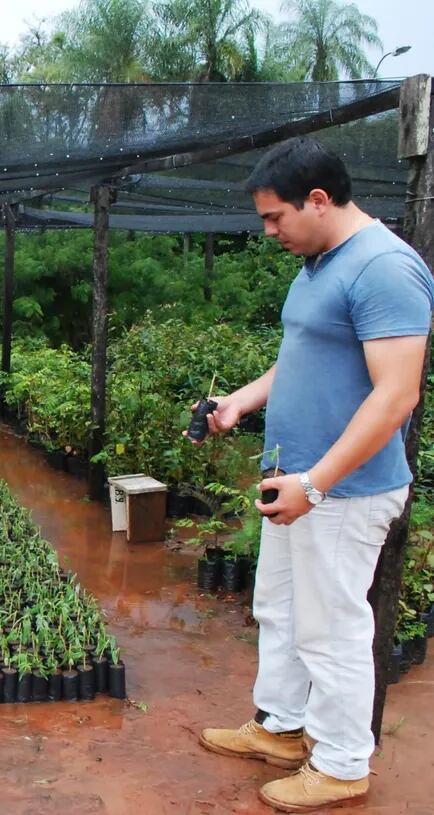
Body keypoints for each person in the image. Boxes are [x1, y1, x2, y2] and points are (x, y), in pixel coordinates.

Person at [193, 138, 433, 812]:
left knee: (332, 629)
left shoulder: (384, 267)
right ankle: (281, 725)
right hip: (293, 480)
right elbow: (301, 356)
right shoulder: (319, 262)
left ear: (319, 200)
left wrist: (317, 483)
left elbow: (396, 395)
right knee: (280, 608)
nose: (269, 230)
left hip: (343, 491)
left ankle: (341, 764)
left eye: (276, 218)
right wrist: (240, 399)